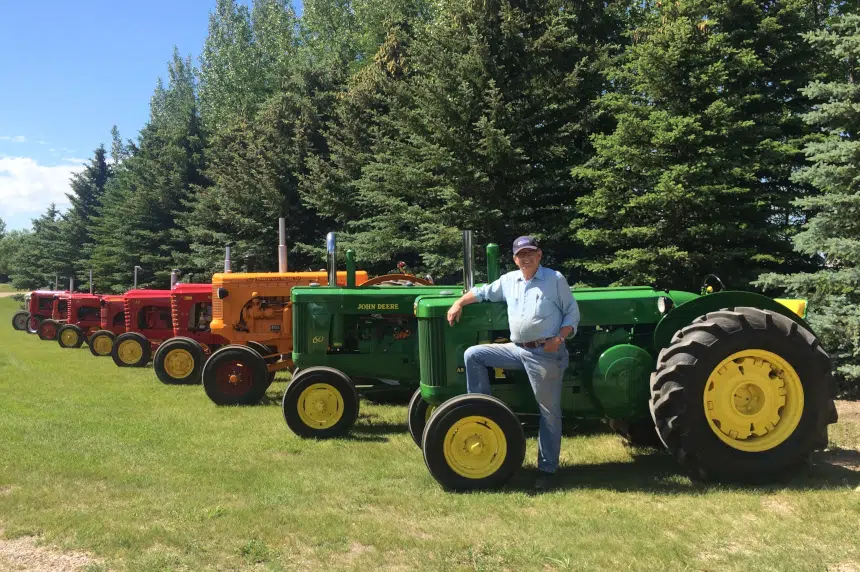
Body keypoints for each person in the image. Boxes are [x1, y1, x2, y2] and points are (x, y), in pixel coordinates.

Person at [446, 236, 580, 491]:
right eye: (521, 255)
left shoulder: (554, 279)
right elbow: (483, 292)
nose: (525, 258)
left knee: (549, 412)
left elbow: (572, 313)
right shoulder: (510, 280)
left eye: (530, 253)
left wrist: (559, 338)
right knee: (474, 355)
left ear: (539, 255)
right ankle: (484, 414)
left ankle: (548, 469)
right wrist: (459, 302)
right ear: (515, 258)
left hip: (545, 352)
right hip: (517, 349)